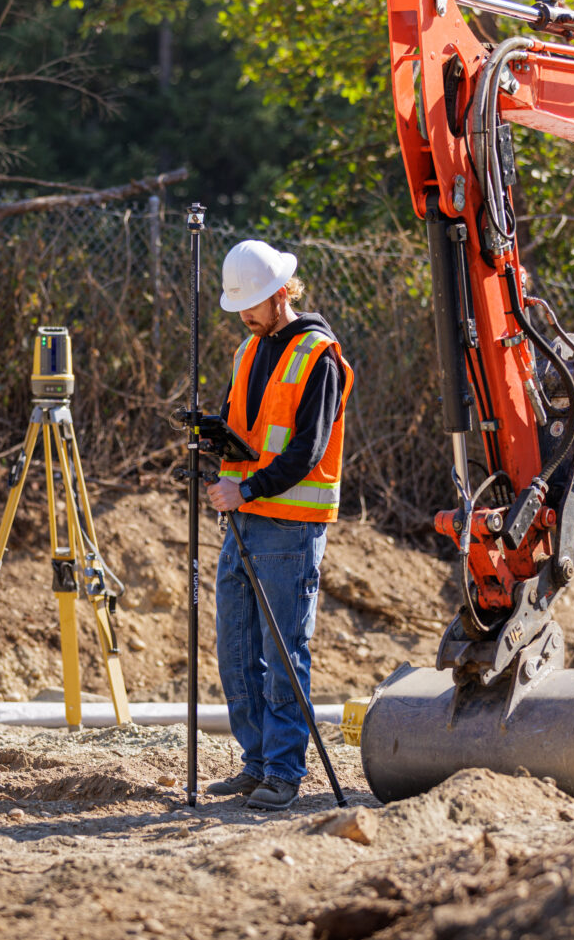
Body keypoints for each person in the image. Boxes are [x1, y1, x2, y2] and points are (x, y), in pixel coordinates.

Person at [204, 239, 353, 811]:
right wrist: (210, 438)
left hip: (288, 525)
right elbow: (243, 425)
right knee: (237, 650)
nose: (244, 314)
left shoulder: (319, 356)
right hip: (242, 517)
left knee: (284, 652)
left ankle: (285, 771)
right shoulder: (248, 350)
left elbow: (307, 452)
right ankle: (256, 762)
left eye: (254, 304)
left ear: (283, 294)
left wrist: (245, 487)